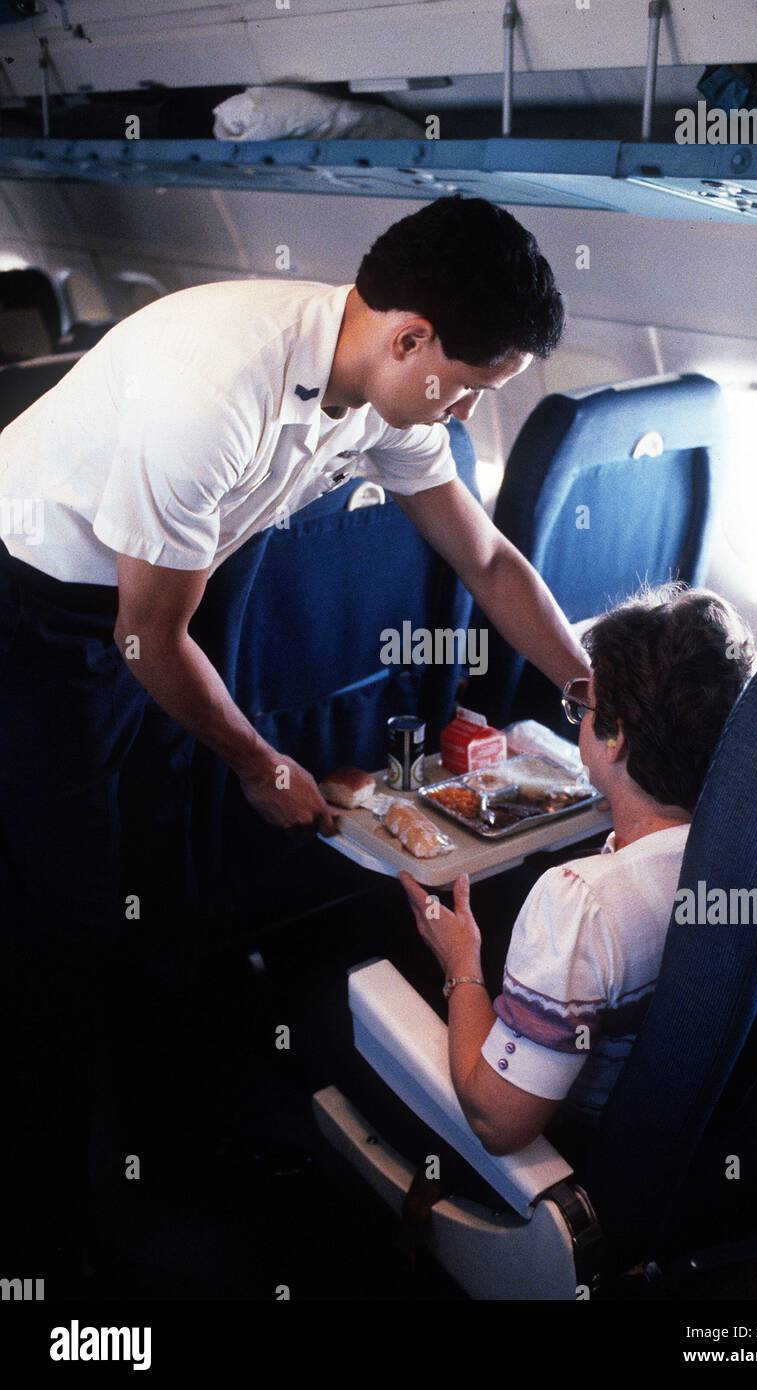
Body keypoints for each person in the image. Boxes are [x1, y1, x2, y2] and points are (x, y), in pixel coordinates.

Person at [0, 195, 588, 1283]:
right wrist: (259, 760)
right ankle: (56, 1217)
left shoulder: (390, 398)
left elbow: (489, 561)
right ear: (408, 335)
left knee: (170, 872)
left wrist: (585, 684)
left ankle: (177, 1128)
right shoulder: (216, 388)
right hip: (37, 613)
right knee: (67, 905)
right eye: (461, 384)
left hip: (153, 609)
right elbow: (143, 635)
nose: (456, 409)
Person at [401, 583, 755, 1159]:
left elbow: (497, 1123)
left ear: (615, 741)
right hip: (697, 1135)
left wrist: (461, 963)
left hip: (581, 1151)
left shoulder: (581, 901)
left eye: (585, 708)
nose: (579, 720)